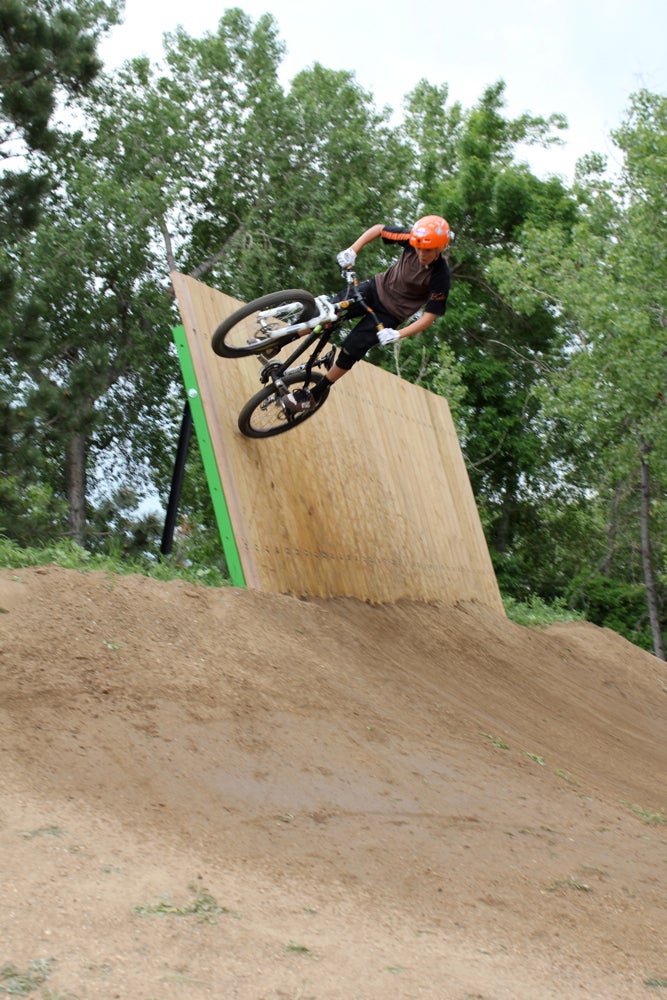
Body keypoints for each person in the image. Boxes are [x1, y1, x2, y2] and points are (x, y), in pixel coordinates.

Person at [283, 215, 452, 412]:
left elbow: (428, 317)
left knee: (352, 348)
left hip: (390, 314)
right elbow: (380, 229)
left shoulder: (440, 276)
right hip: (374, 289)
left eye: (428, 250)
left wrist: (398, 334)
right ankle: (279, 341)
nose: (421, 253)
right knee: (328, 311)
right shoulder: (410, 239)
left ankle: (314, 394)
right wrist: (353, 250)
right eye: (418, 248)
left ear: (440, 249)